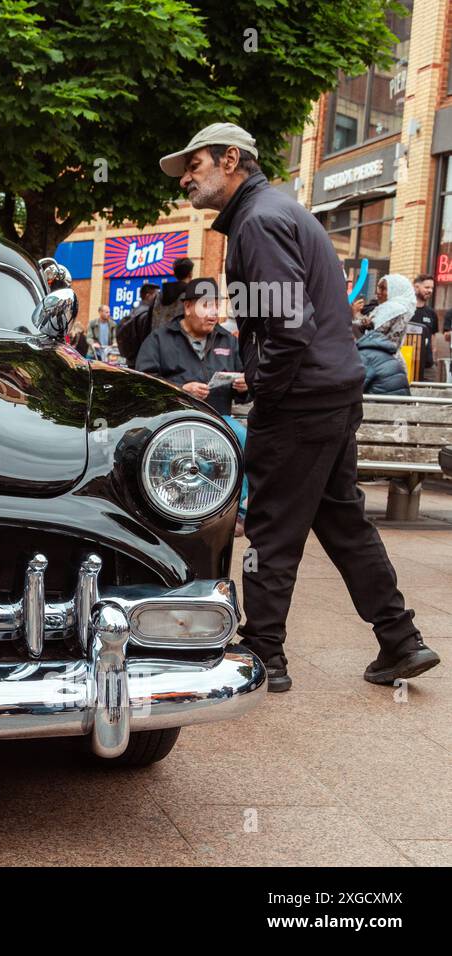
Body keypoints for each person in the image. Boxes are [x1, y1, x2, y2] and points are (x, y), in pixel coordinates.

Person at [161, 121, 439, 691]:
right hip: (328, 392)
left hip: (302, 402)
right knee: (342, 521)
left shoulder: (259, 223)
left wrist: (264, 388)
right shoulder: (275, 213)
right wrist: (259, 375)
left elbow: (288, 329)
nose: (185, 176)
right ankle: (401, 641)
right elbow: (292, 326)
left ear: (231, 158)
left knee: (270, 527)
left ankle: (264, 653)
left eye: (194, 163)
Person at [136, 277, 249, 529]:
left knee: (244, 438)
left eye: (216, 306)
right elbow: (144, 382)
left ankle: (238, 511)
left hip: (218, 420)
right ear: (188, 307)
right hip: (172, 422)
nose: (213, 314)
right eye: (206, 306)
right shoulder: (161, 339)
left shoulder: (227, 341)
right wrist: (181, 389)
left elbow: (244, 384)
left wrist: (244, 387)